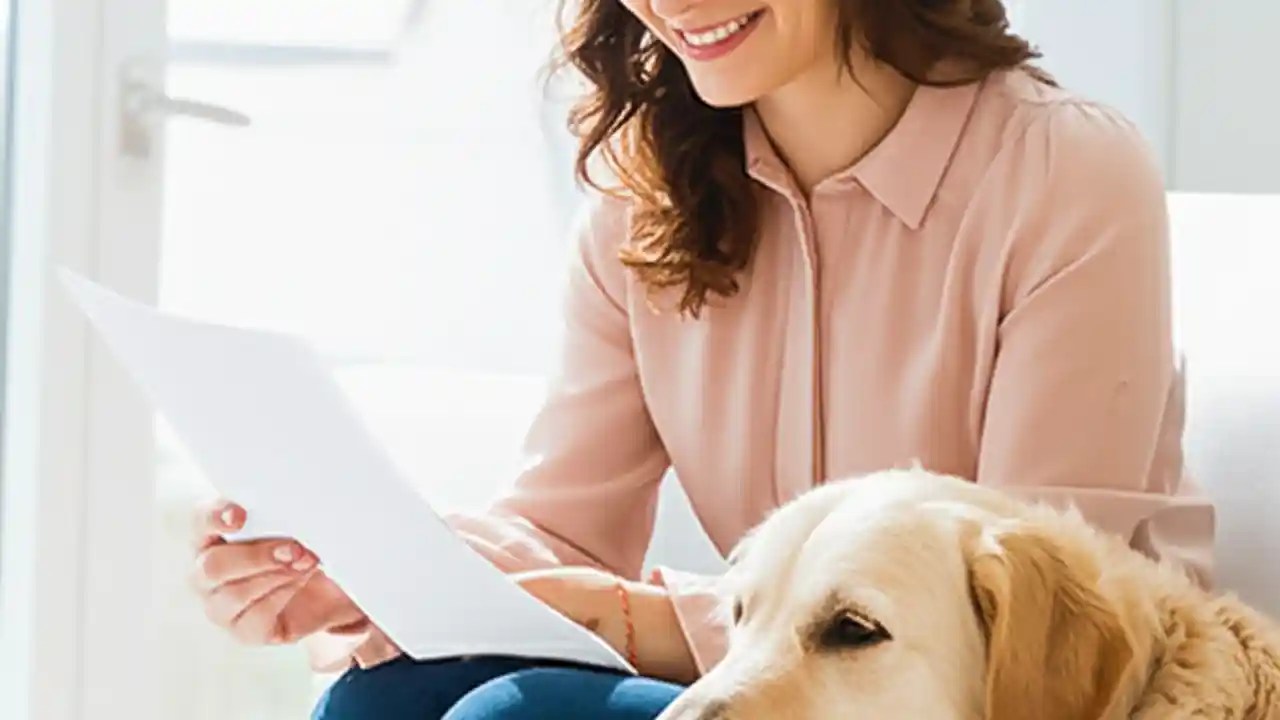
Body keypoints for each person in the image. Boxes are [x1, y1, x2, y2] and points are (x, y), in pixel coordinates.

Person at [189, 0, 1216, 718]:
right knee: (383, 697)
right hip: (764, 690)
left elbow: (1029, 628)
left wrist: (617, 613)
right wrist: (367, 570)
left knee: (516, 714)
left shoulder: (1063, 172)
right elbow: (563, 535)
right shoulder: (642, 206)